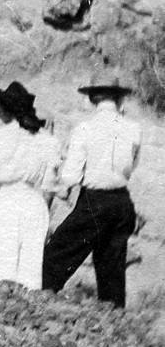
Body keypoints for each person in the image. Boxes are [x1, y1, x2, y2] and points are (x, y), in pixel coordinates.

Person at [42, 72, 142, 308]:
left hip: (95, 201)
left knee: (56, 256)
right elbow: (133, 164)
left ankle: (37, 306)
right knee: (112, 271)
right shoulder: (134, 128)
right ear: (119, 100)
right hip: (122, 201)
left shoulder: (85, 128)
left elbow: (71, 176)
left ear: (92, 99)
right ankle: (114, 324)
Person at [0, 82, 59, 290]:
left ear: (3, 110)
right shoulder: (47, 140)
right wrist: (44, 212)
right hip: (34, 205)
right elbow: (50, 186)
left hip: (6, 203)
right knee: (29, 272)